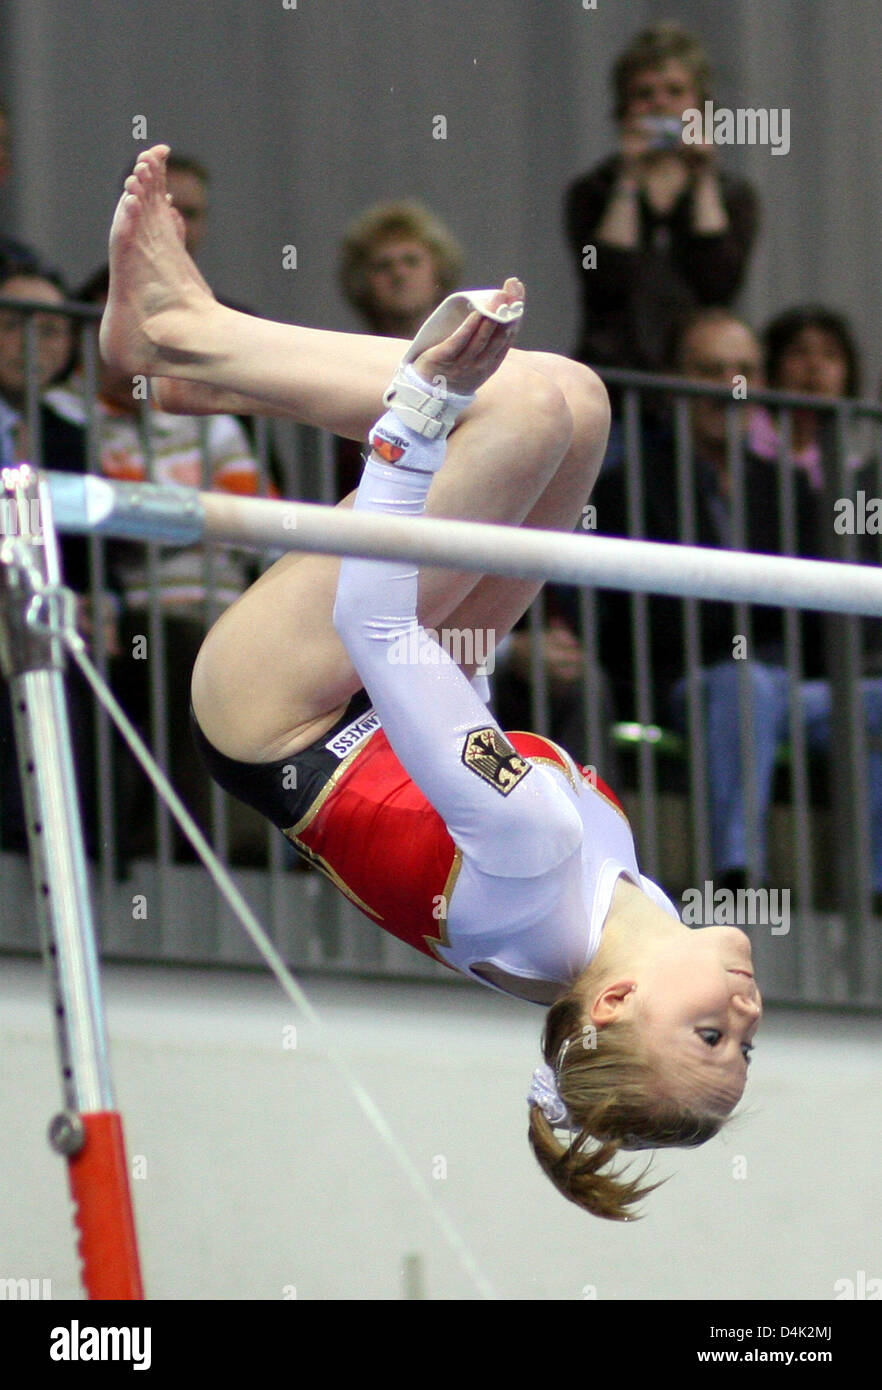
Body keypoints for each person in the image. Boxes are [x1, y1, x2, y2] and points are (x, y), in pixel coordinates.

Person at [101, 144, 763, 1221]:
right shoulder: (627, 924)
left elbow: (373, 622)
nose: (743, 1011)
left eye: (709, 1035)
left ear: (618, 1002)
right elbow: (449, 733)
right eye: (745, 1040)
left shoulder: (537, 852)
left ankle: (182, 338)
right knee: (578, 405)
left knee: (518, 412)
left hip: (285, 716)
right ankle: (191, 359)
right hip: (401, 701)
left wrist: (415, 422)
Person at [592, 307, 882, 902]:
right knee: (744, 683)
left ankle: (874, 889)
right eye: (712, 369)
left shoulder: (784, 486)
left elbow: (816, 616)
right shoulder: (633, 482)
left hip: (787, 687)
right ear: (677, 379)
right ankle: (740, 878)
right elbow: (651, 619)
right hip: (684, 684)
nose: (732, 388)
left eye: (745, 371)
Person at [564, 21, 758, 379]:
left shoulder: (732, 194)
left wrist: (703, 180)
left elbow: (719, 285)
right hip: (617, 379)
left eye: (675, 91)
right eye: (645, 93)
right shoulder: (594, 190)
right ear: (625, 109)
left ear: (700, 106)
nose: (660, 103)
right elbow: (605, 280)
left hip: (698, 385)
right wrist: (628, 180)